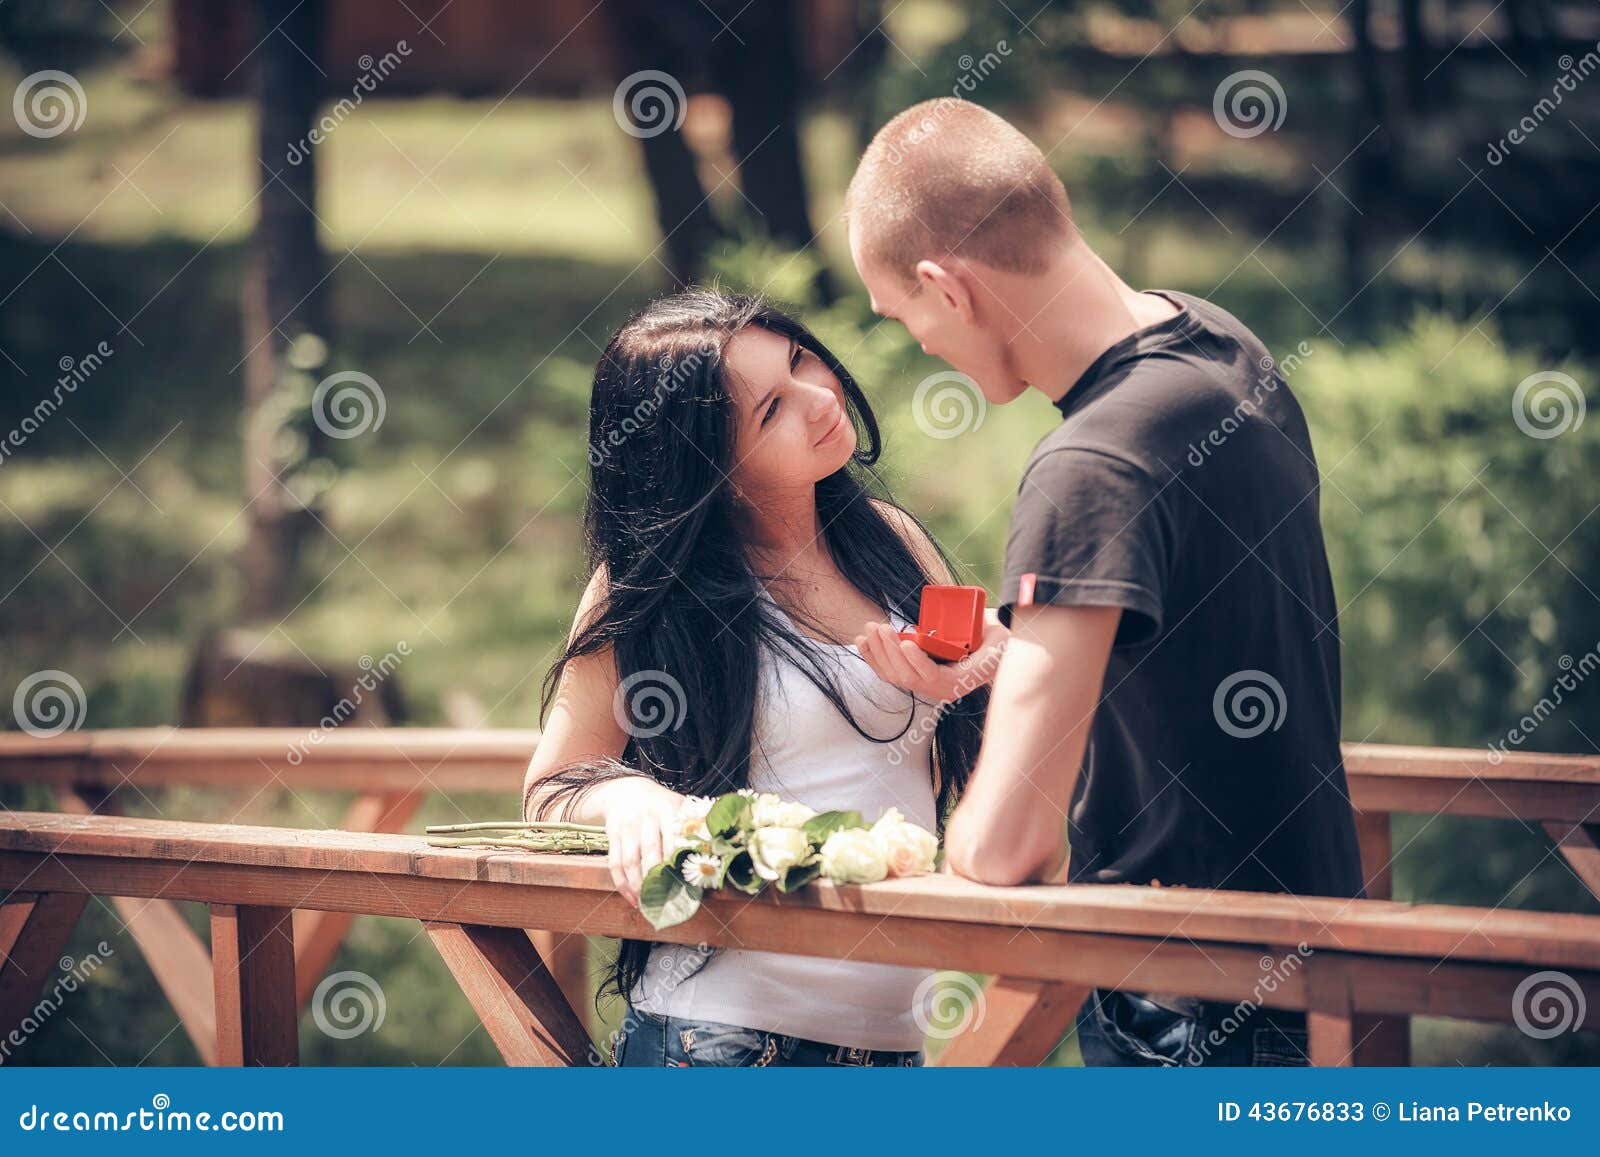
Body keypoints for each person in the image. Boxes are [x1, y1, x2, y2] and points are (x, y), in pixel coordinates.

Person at [844, 98, 1366, 1066]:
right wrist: (998, 658)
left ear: (942, 285)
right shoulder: (1220, 349)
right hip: (1315, 953)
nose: (915, 339)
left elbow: (1006, 846)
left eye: (901, 311)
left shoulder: (1090, 463)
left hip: (1185, 997)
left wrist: (925, 850)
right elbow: (1195, 638)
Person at [521, 288, 1003, 1066]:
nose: (818, 398)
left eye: (803, 359)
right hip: (724, 1039)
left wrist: (990, 668)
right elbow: (551, 789)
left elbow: (1000, 743)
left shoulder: (892, 544)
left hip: (892, 1039)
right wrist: (633, 797)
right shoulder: (650, 588)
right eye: (772, 408)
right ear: (704, 461)